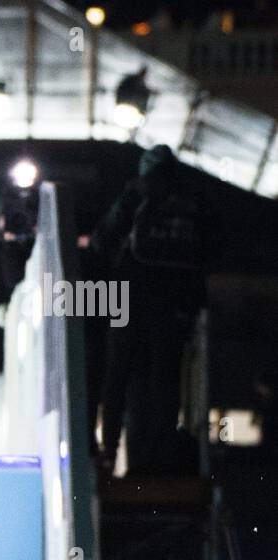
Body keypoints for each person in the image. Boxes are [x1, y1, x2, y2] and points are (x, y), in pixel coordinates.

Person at [90, 145, 206, 476]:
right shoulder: (192, 199)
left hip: (128, 297)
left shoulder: (137, 192)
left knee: (117, 375)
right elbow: (213, 247)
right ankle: (160, 458)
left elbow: (102, 239)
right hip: (173, 304)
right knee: (165, 381)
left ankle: (108, 451)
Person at [0, 158, 41, 292]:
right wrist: (5, 234)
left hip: (38, 251)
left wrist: (39, 231)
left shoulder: (39, 194)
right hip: (13, 256)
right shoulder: (7, 194)